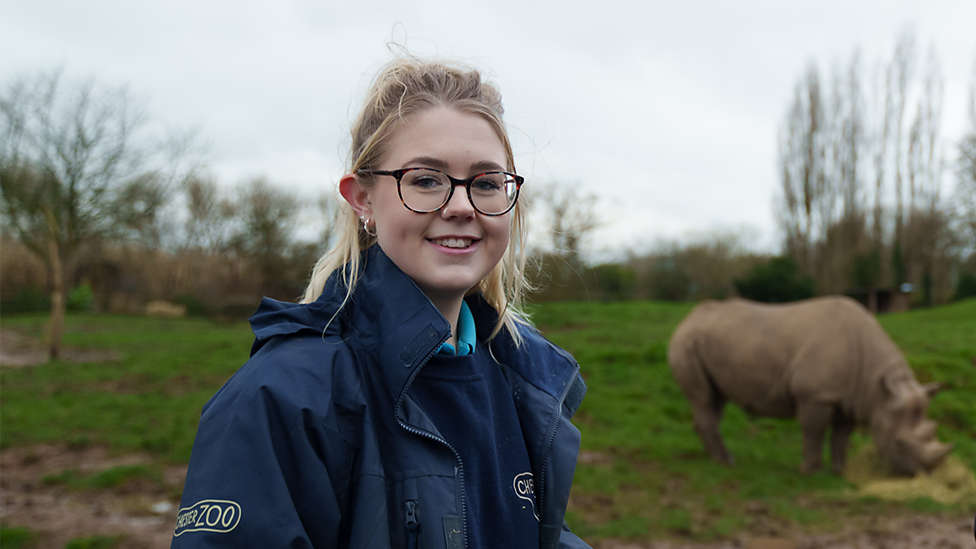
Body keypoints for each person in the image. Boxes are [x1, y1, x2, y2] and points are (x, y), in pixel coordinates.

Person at [171, 55, 590, 549]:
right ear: (362, 199)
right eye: (426, 180)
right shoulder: (282, 397)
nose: (460, 206)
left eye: (486, 183)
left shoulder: (527, 378)